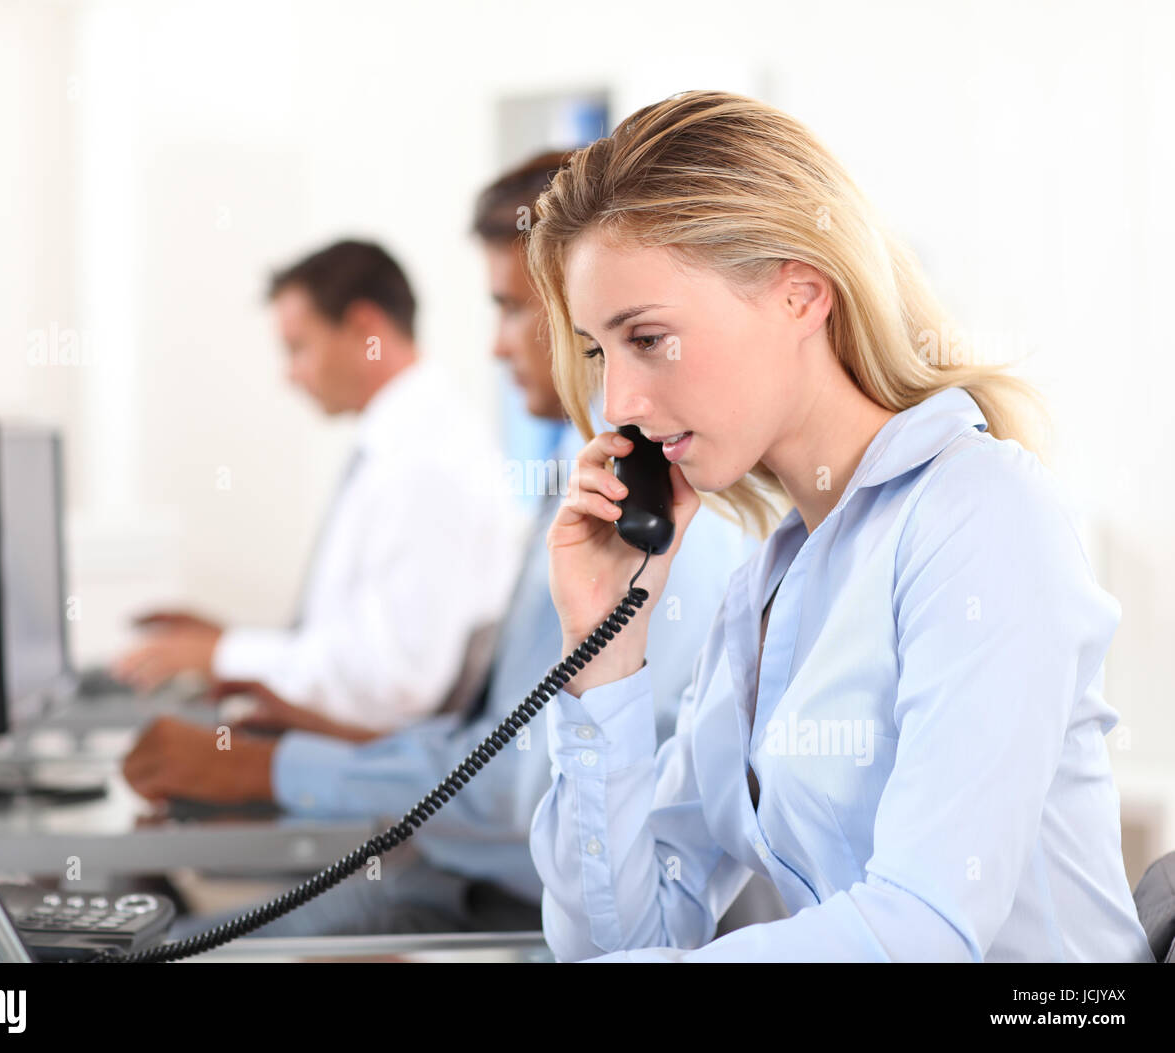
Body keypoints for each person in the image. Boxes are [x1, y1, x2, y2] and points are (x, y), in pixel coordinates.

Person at [526, 90, 1153, 962]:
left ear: (800, 295)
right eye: (602, 351)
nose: (620, 405)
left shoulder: (980, 516)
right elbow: (620, 940)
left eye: (650, 338)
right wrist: (600, 651)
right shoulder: (766, 588)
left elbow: (922, 929)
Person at [124, 151, 753, 937]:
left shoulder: (668, 516)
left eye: (515, 310)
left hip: (519, 894)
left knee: (172, 943)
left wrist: (276, 767)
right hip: (481, 862)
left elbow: (523, 794)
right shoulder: (588, 474)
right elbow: (500, 733)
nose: (495, 346)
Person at [111, 239, 521, 735]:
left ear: (364, 328)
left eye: (298, 348)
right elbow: (359, 638)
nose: (289, 375)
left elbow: (397, 682)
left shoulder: (424, 461)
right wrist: (228, 643)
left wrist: (226, 655)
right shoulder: (400, 443)